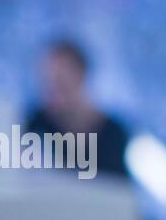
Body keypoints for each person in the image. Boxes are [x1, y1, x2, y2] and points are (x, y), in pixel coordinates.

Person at [24, 38, 130, 179]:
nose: (52, 92)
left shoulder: (114, 135)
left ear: (82, 76)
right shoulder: (37, 124)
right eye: (46, 84)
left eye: (61, 83)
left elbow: (119, 192)